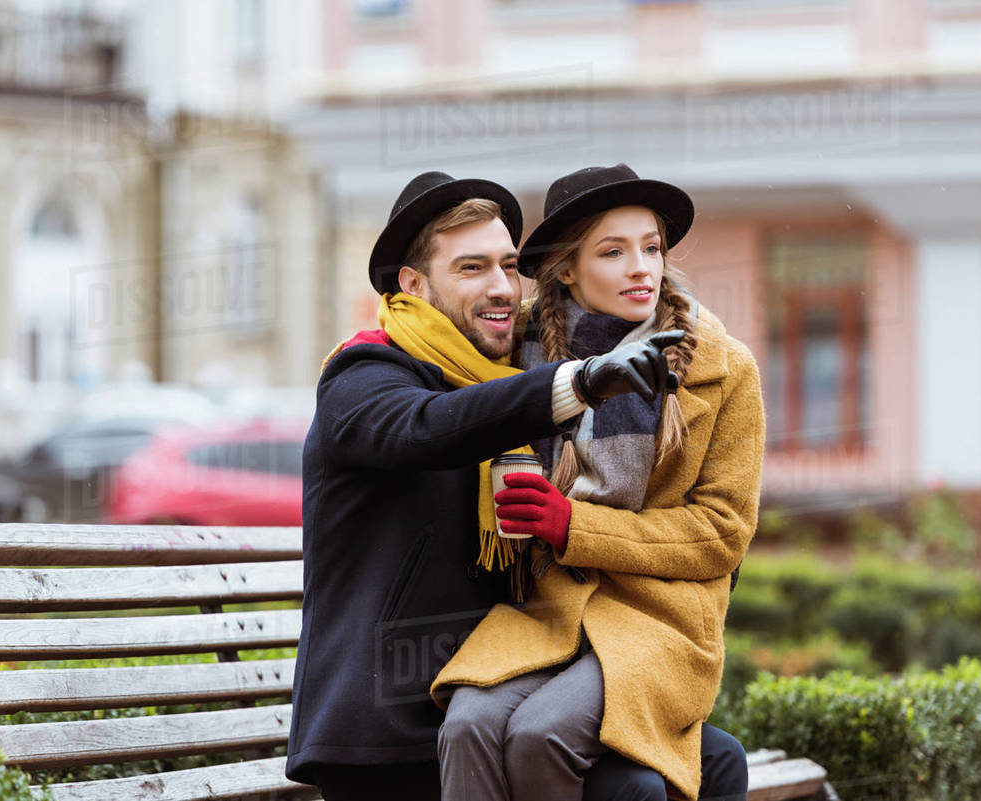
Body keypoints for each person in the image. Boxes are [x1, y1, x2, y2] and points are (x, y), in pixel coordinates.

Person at [285, 171, 689, 801]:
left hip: (493, 700)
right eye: (472, 268)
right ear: (413, 285)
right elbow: (426, 428)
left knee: (707, 760)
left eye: (508, 265)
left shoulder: (500, 375)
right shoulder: (364, 373)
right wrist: (576, 383)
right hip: (388, 734)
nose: (502, 288)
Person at [432, 164, 766, 801]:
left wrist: (571, 525)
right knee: (466, 725)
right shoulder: (519, 353)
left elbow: (721, 535)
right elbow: (435, 340)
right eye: (613, 252)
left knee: (541, 733)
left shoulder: (721, 368)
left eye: (652, 248)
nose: (642, 267)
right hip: (548, 610)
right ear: (565, 268)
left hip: (661, 620)